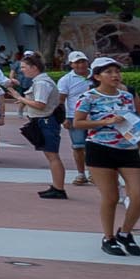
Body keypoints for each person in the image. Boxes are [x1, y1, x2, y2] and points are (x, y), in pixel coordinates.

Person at [68, 57, 140, 257]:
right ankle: (108, 238)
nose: (115, 75)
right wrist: (106, 121)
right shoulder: (89, 97)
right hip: (100, 148)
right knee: (111, 197)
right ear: (97, 76)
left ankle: (125, 232)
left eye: (117, 71)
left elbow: (139, 117)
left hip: (128, 149)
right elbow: (78, 123)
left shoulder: (127, 96)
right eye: (109, 72)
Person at [10, 51, 70, 200]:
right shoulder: (40, 81)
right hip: (44, 121)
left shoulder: (42, 83)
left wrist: (21, 98)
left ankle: (59, 188)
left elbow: (40, 104)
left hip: (46, 121)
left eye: (24, 67)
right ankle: (56, 186)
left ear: (34, 67)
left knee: (53, 156)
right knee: (51, 156)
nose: (22, 70)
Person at [57, 51, 95, 186]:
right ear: (71, 64)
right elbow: (61, 101)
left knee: (94, 146)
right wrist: (64, 118)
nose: (81, 65)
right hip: (74, 117)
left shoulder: (96, 75)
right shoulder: (66, 80)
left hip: (96, 117)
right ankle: (81, 173)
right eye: (77, 62)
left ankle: (93, 173)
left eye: (83, 61)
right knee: (78, 146)